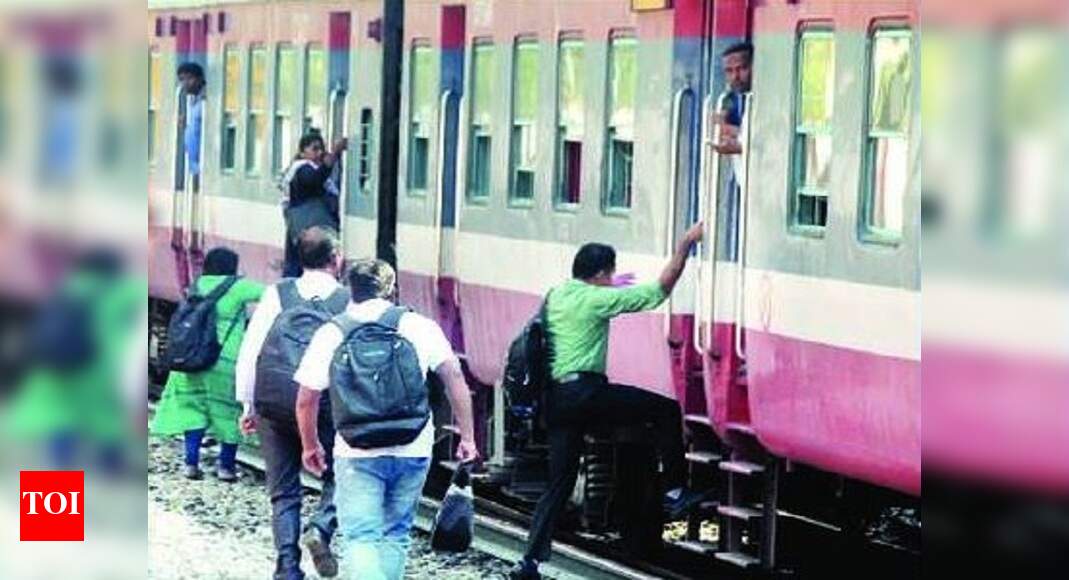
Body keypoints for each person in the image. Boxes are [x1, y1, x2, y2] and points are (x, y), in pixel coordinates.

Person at [509, 223, 706, 580]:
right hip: (588, 396)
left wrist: (611, 285)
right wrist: (684, 246)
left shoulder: (558, 294)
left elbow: (595, 293)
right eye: (610, 274)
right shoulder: (598, 299)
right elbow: (659, 291)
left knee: (559, 484)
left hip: (556, 400)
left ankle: (529, 562)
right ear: (601, 273)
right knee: (664, 410)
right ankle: (675, 489)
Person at [294, 259, 479, 580]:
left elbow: (306, 399)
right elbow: (454, 378)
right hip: (413, 446)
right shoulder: (420, 326)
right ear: (392, 288)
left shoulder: (333, 331)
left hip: (356, 450)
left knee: (361, 536)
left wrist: (310, 446)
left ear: (350, 287)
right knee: (396, 533)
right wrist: (467, 437)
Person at [234, 227, 348, 580]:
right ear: (337, 260)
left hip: (276, 403)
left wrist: (247, 404)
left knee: (283, 491)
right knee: (342, 474)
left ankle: (287, 566)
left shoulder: (277, 294)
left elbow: (251, 351)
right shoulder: (347, 300)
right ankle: (322, 528)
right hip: (325, 405)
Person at [151, 247, 264, 481]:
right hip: (223, 362)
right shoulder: (238, 287)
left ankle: (191, 464)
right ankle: (226, 468)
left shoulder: (196, 284)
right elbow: (271, 294)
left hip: (191, 359)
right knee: (229, 413)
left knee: (193, 411)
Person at [281, 133, 347, 277]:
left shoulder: (305, 168)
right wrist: (335, 153)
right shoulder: (302, 168)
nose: (319, 153)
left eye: (321, 149)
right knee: (298, 264)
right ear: (303, 152)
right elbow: (314, 180)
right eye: (315, 149)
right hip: (307, 226)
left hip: (300, 225)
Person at [177, 62, 206, 185]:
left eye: (189, 78)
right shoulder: (192, 101)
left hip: (204, 163)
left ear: (199, 78)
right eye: (182, 80)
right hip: (194, 164)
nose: (185, 83)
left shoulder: (206, 100)